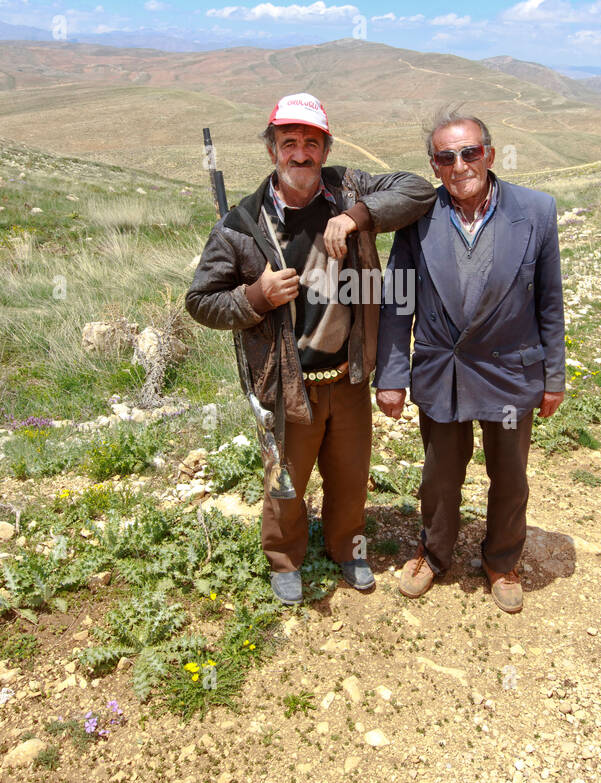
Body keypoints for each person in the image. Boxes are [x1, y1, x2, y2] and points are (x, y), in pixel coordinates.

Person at [185, 92, 435, 605]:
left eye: (311, 142)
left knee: (350, 476)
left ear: (325, 147)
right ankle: (285, 558)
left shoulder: (347, 189)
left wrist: (357, 217)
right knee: (285, 483)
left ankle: (350, 548)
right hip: (285, 382)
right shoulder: (240, 225)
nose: (301, 153)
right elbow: (200, 301)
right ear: (272, 149)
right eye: (289, 142)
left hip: (346, 375)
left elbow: (418, 191)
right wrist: (254, 297)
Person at [374, 111, 565, 613]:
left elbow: (550, 302)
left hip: (510, 371)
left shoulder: (537, 211)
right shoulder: (417, 221)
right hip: (445, 372)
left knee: (510, 475)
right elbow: (397, 303)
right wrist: (391, 376)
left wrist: (554, 377)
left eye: (469, 152)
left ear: (489, 155)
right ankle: (434, 553)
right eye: (446, 157)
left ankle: (502, 560)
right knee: (439, 475)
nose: (459, 165)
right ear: (434, 166)